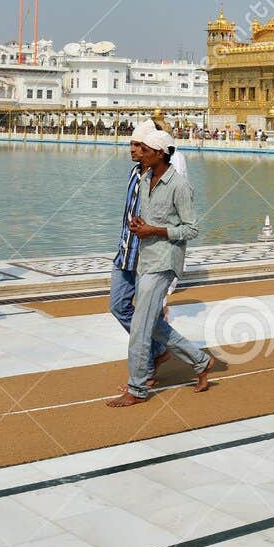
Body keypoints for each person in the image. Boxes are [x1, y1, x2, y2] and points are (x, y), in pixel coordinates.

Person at [106, 129, 212, 407]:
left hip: (165, 261)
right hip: (145, 257)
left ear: (160, 154)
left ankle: (137, 388)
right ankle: (200, 361)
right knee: (151, 323)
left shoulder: (179, 186)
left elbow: (192, 229)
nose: (140, 153)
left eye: (146, 150)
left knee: (141, 326)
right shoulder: (143, 180)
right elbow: (146, 217)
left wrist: (155, 230)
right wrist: (140, 226)